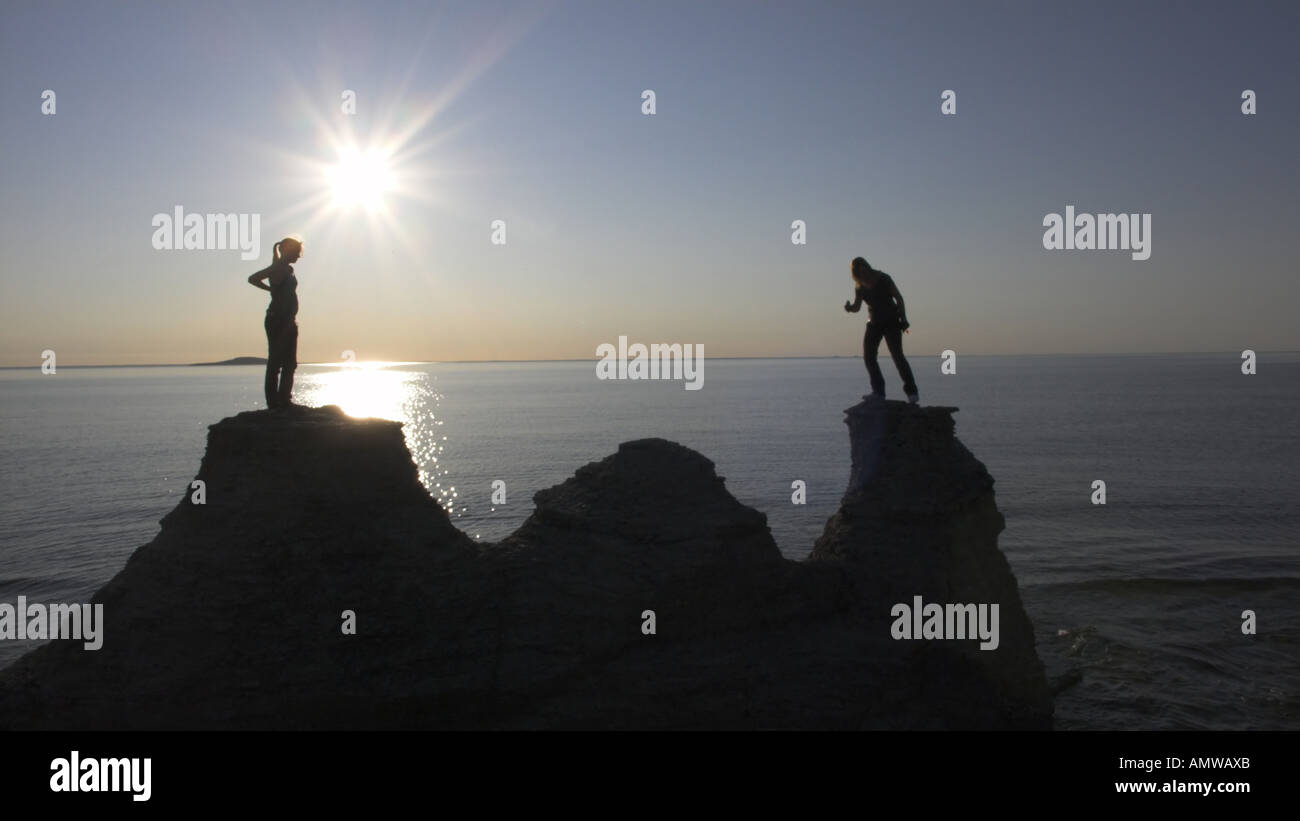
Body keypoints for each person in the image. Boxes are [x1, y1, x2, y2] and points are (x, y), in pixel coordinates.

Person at [843, 256, 919, 404]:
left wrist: (903, 318)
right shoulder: (859, 286)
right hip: (873, 323)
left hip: (891, 321)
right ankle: (878, 392)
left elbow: (898, 298)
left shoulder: (884, 278)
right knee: (869, 357)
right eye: (858, 269)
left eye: (863, 266)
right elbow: (857, 307)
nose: (862, 270)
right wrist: (850, 308)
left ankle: (912, 392)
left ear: (867, 266)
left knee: (897, 356)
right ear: (855, 272)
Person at [247, 237, 304, 410]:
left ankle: (284, 399)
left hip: (288, 320)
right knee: (276, 362)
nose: (299, 256)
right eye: (297, 252)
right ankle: (274, 403)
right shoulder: (278, 268)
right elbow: (253, 278)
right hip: (278, 319)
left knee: (290, 363)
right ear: (287, 250)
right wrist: (270, 290)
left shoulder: (288, 269)